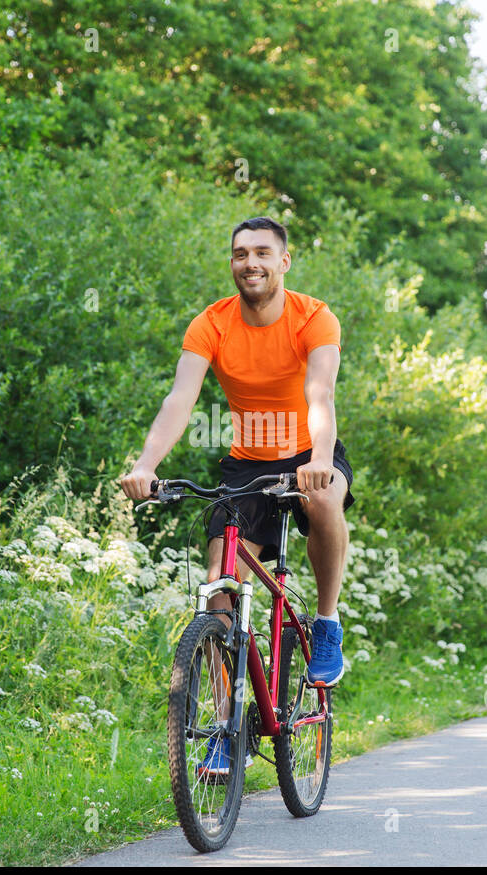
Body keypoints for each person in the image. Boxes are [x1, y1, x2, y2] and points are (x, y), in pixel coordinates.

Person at [118, 216, 355, 773]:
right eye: (240, 253)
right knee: (218, 591)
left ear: (284, 261)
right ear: (232, 262)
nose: (251, 262)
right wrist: (146, 465)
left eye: (263, 253)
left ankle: (325, 624)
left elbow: (320, 392)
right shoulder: (212, 323)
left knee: (322, 500)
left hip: (309, 452)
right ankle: (226, 726)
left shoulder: (313, 317)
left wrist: (319, 460)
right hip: (247, 462)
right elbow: (181, 397)